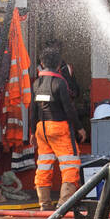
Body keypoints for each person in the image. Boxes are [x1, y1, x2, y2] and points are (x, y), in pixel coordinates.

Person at [27, 44, 86, 210]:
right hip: (59, 128)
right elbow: (69, 109)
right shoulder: (60, 83)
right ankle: (64, 203)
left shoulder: (36, 84)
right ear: (59, 64)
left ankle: (44, 203)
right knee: (70, 165)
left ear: (42, 63)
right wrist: (80, 128)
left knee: (44, 165)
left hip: (41, 129)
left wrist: (32, 132)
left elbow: (33, 110)